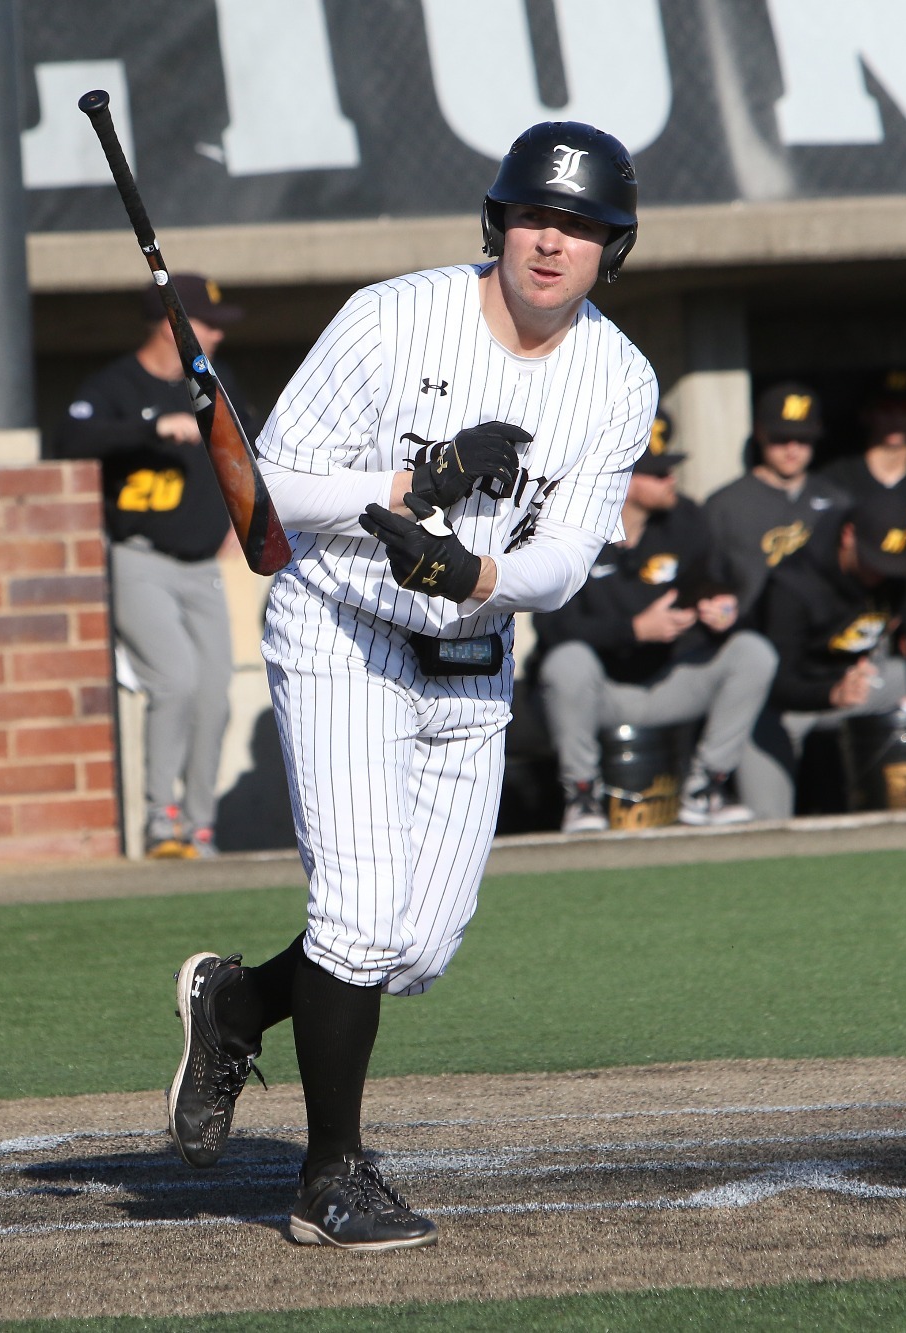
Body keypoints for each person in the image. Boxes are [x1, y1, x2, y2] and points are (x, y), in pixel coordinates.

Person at [164, 120, 654, 1249]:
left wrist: (478, 568)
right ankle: (328, 1178)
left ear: (609, 250)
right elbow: (266, 488)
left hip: (473, 657)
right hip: (343, 627)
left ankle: (236, 1003)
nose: (550, 243)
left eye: (579, 228)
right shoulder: (393, 318)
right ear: (497, 222)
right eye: (534, 216)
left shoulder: (618, 377)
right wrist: (411, 478)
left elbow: (568, 554)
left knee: (414, 947)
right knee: (357, 912)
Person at [55, 276, 244, 858]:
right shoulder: (116, 384)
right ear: (172, 324)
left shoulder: (214, 383)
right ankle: (159, 821)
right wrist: (150, 427)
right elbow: (69, 437)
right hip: (138, 560)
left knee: (215, 693)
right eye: (206, 322)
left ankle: (198, 827)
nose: (216, 333)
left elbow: (244, 454)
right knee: (175, 681)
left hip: (201, 568)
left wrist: (242, 528)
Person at [533, 410, 777, 831]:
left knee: (753, 653)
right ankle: (582, 795)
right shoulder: (570, 526)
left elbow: (715, 585)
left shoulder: (685, 518)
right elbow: (552, 627)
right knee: (566, 661)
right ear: (623, 479)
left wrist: (721, 612)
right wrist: (633, 631)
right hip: (599, 692)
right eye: (659, 473)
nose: (672, 481)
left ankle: (709, 787)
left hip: (669, 681)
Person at [738, 489, 906, 818]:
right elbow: (776, 682)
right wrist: (832, 692)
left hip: (853, 685)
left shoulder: (900, 570)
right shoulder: (792, 585)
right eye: (873, 561)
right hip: (782, 705)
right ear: (848, 536)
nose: (882, 573)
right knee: (767, 824)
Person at [703, 382, 851, 608]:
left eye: (803, 439)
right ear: (760, 432)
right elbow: (707, 580)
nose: (792, 449)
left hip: (821, 632)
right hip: (750, 630)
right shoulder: (724, 505)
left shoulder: (838, 502)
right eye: (781, 438)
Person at [820, 371, 906, 561]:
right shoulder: (839, 477)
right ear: (866, 414)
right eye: (887, 409)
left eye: (905, 409)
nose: (896, 418)